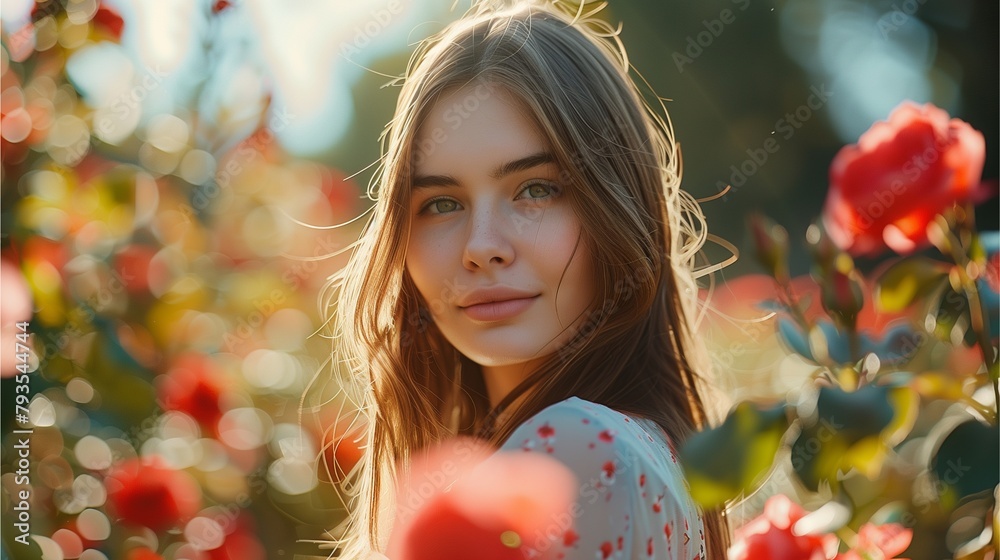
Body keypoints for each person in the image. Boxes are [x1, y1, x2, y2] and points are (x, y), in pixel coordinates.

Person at [325, 1, 731, 558]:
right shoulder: (647, 448)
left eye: (536, 189)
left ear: (616, 207)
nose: (481, 246)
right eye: (442, 203)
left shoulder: (579, 447)